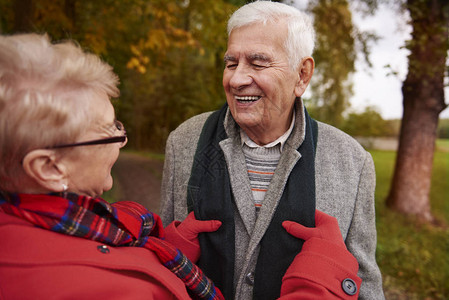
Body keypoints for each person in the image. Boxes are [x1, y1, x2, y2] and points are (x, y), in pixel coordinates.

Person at [0, 32, 361, 299]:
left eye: (259, 62)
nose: (122, 139)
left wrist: (159, 252)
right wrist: (320, 279)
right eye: (109, 131)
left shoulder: (92, 224)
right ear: (49, 167)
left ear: (302, 75)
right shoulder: (75, 287)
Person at [160, 1, 384, 299]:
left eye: (258, 62)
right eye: (231, 63)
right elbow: (159, 261)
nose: (236, 79)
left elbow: (364, 282)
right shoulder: (184, 141)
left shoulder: (352, 162)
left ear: (302, 75)